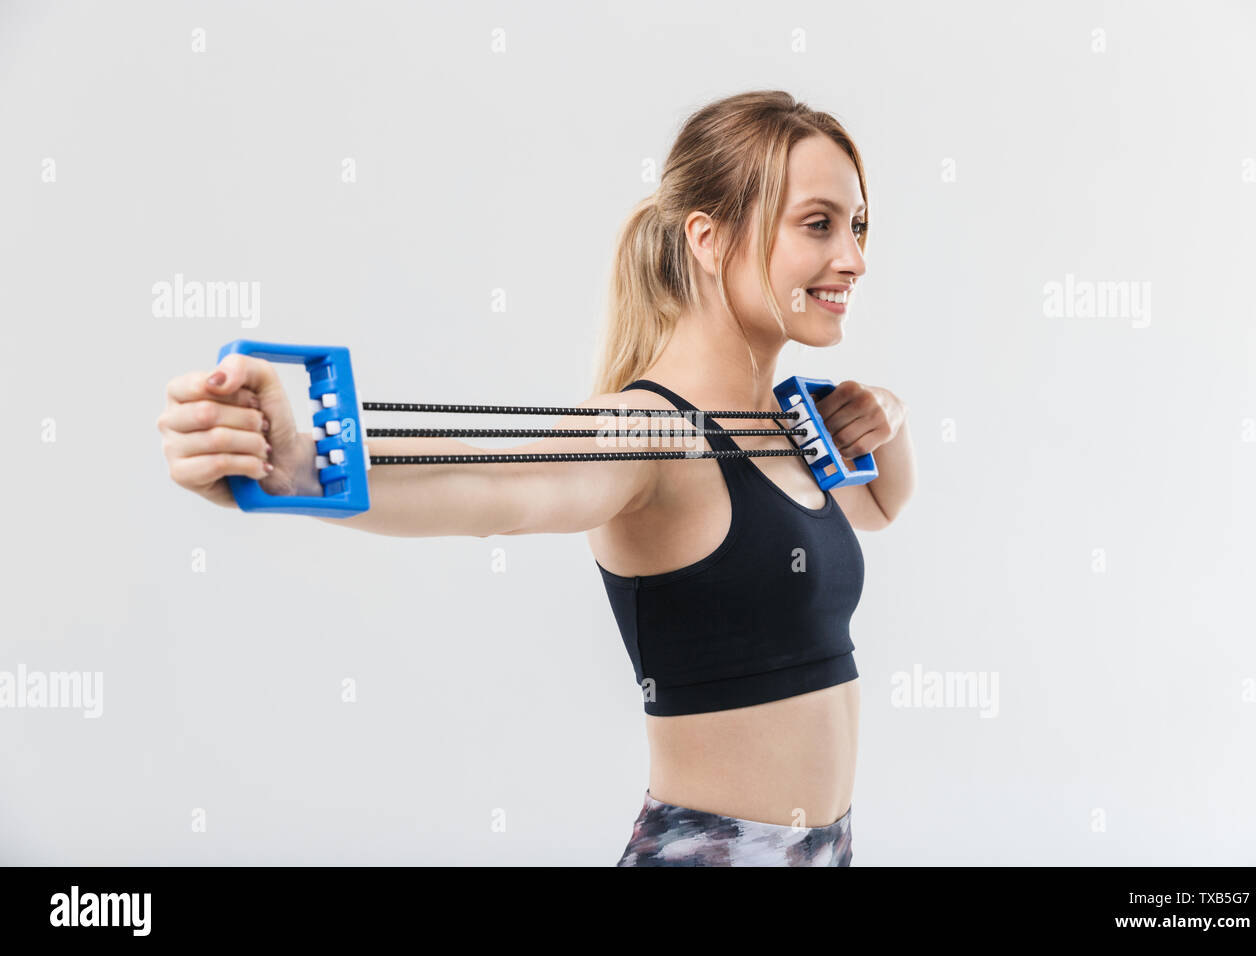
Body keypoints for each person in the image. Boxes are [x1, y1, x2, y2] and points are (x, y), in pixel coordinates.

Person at [156, 90, 916, 866]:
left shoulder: (793, 427)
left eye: (858, 226)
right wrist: (298, 465)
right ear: (708, 238)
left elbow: (881, 503)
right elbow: (497, 488)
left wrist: (887, 416)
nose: (853, 257)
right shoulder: (646, 433)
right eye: (818, 223)